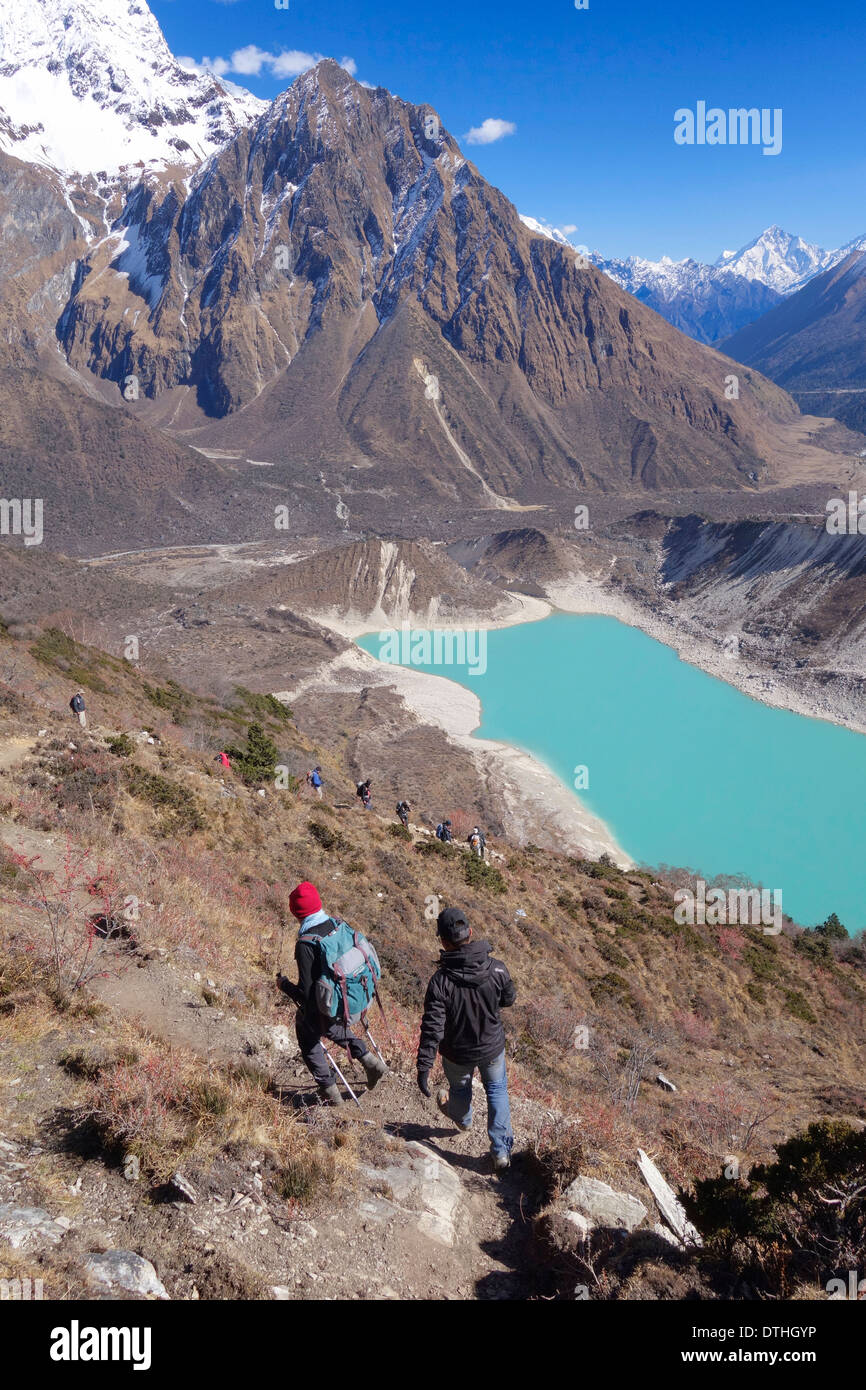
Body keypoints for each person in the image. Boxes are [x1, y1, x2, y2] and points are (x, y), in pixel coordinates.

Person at [416, 906, 516, 1172]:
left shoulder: (440, 982)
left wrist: (424, 1066)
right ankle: (501, 1152)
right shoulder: (497, 969)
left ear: (443, 942)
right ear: (470, 933)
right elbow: (508, 998)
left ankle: (464, 1120)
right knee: (497, 1090)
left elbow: (432, 1027)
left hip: (457, 1052)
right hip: (492, 1046)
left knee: (460, 1090)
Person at [277, 880, 387, 1105]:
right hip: (356, 999)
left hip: (333, 1005)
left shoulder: (306, 944)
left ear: (296, 912)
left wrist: (284, 985)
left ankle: (329, 1091)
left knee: (307, 1030)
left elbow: (306, 997)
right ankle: (368, 1060)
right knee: (327, 1022)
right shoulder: (337, 924)